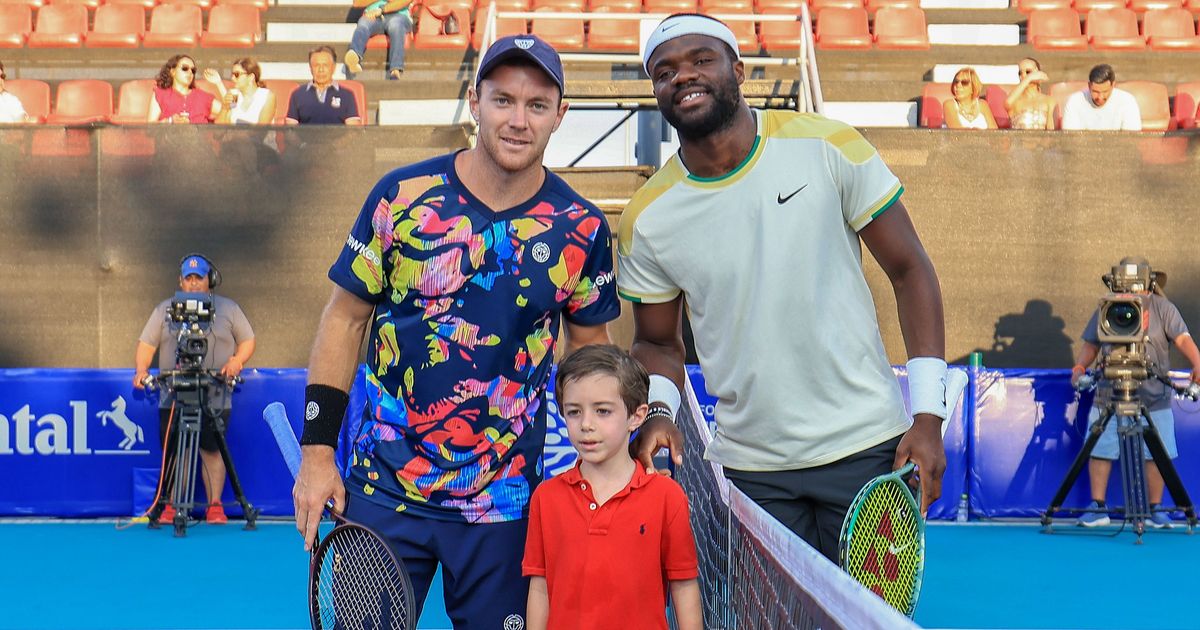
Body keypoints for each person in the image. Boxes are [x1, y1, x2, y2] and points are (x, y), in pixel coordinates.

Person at [291, 35, 619, 626]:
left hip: (506, 504)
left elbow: (591, 356)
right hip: (384, 492)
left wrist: (603, 474)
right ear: (475, 101)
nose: (518, 121)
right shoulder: (401, 197)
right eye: (503, 101)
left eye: (537, 105)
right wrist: (317, 455)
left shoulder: (583, 228)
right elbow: (344, 317)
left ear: (560, 116)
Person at [622, 14, 948, 564]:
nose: (683, 76)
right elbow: (657, 345)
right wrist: (658, 413)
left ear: (738, 69)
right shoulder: (647, 215)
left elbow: (911, 270)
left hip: (868, 452)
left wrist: (929, 417)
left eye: (701, 59)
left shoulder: (828, 145)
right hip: (751, 474)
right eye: (665, 71)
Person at [523, 345, 702, 630]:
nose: (586, 424)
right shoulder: (546, 498)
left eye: (603, 411)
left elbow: (683, 585)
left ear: (637, 415)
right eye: (573, 412)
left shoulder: (667, 497)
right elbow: (540, 586)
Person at [1071, 256, 1200, 529]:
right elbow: (1091, 343)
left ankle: (1154, 509)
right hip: (1109, 391)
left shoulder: (1164, 308)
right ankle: (1098, 507)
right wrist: (1081, 366)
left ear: (1149, 283)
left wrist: (1198, 363)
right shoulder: (1106, 307)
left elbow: (1182, 339)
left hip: (1153, 394)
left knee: (1158, 453)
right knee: (1101, 448)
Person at [133, 254, 256, 525]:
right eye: (188, 278)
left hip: (214, 392)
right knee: (175, 449)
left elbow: (247, 340)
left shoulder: (228, 309)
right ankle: (169, 506)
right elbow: (146, 344)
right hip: (174, 394)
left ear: (209, 281)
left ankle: (215, 506)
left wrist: (236, 361)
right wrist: (141, 370)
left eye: (198, 277)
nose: (193, 283)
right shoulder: (165, 310)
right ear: (180, 281)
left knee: (212, 450)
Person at [286, 46, 362, 125]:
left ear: (333, 67)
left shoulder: (347, 95)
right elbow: (290, 131)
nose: (321, 70)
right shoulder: (298, 95)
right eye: (316, 65)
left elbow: (353, 132)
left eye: (325, 65)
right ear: (310, 68)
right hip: (306, 137)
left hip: (338, 137)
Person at [344, 0, 413, 80]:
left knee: (395, 25)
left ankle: (395, 70)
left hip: (399, 15)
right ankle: (354, 55)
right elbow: (357, 3)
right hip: (372, 15)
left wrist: (382, 10)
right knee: (364, 24)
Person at [1061, 64, 1141, 131]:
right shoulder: (1075, 102)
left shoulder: (1127, 101)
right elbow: (1071, 140)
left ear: (1113, 85)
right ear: (1089, 86)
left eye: (1105, 92)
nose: (1100, 97)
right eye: (1095, 92)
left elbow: (1131, 140)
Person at [147, 54, 223, 124]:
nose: (190, 72)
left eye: (193, 70)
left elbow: (231, 113)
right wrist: (170, 121)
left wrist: (219, 83)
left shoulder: (203, 97)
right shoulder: (161, 93)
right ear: (172, 72)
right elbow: (150, 127)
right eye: (185, 68)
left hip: (197, 138)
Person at [206, 58, 277, 125]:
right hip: (235, 137)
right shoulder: (234, 95)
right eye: (232, 74)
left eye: (237, 74)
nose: (232, 78)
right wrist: (219, 83)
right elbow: (230, 116)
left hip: (256, 137)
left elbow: (260, 131)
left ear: (251, 77)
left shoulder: (266, 96)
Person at [1005, 57, 1055, 130]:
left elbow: (1051, 131)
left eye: (1028, 72)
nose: (1023, 76)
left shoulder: (1049, 101)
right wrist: (1029, 78)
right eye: (1020, 73)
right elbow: (1008, 103)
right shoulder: (1015, 101)